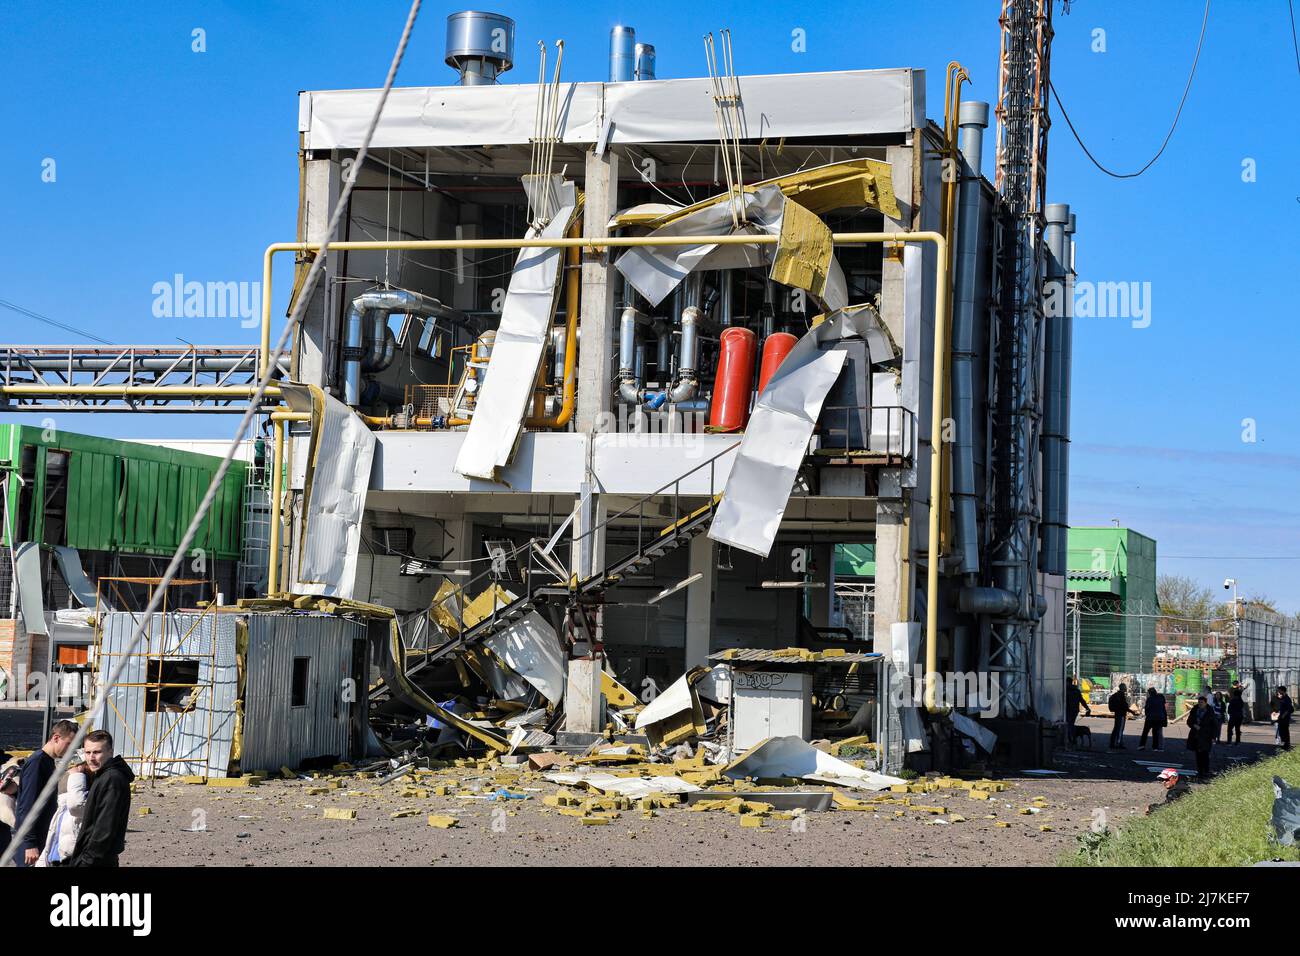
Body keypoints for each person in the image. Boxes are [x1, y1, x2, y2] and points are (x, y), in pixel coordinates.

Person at [11, 719, 77, 866]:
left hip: (40, 837)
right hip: (30, 843)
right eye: (69, 744)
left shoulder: (47, 761)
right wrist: (30, 843)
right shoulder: (38, 762)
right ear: (56, 738)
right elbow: (27, 805)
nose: (71, 750)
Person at [67, 730, 134, 867]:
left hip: (97, 861)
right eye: (88, 752)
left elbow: (105, 827)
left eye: (97, 752)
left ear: (110, 752)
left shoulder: (111, 780)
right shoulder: (103, 776)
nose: (91, 757)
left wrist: (87, 862)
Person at [36, 762, 88, 867]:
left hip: (70, 861)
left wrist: (76, 775)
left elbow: (76, 805)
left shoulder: (81, 804)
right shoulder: (60, 811)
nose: (67, 773)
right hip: (54, 860)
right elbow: (52, 838)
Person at [1186, 694, 1220, 780]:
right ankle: (1200, 771)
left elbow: (1215, 725)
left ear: (1205, 703)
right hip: (1195, 736)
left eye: (1201, 702)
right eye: (1199, 702)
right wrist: (1194, 725)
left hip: (1206, 736)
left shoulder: (1210, 712)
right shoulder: (1194, 710)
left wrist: (1214, 737)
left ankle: (1206, 771)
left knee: (1205, 754)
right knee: (1198, 754)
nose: (1200, 704)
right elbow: (1189, 721)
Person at [1108, 683, 1137, 750]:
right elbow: (1124, 706)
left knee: (1116, 728)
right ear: (1123, 688)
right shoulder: (1121, 695)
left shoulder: (1116, 695)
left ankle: (1112, 743)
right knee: (1120, 729)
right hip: (1121, 714)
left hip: (1117, 714)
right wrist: (1132, 712)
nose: (1126, 688)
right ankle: (1118, 743)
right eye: (1125, 687)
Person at [1138, 686, 1168, 751]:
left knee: (1145, 732)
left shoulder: (1150, 699)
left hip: (1150, 718)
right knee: (1155, 732)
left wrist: (1147, 715)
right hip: (1159, 718)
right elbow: (1163, 708)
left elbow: (1147, 708)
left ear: (1150, 693)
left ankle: (1142, 745)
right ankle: (1155, 747)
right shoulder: (1161, 698)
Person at [1275, 686, 1294, 752]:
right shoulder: (1282, 697)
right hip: (1281, 717)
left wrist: (1283, 715)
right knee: (1281, 731)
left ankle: (1286, 745)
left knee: (1284, 731)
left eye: (1279, 690)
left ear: (1283, 691)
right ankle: (1284, 744)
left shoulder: (1287, 698)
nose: (1278, 692)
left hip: (1285, 718)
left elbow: (1289, 709)